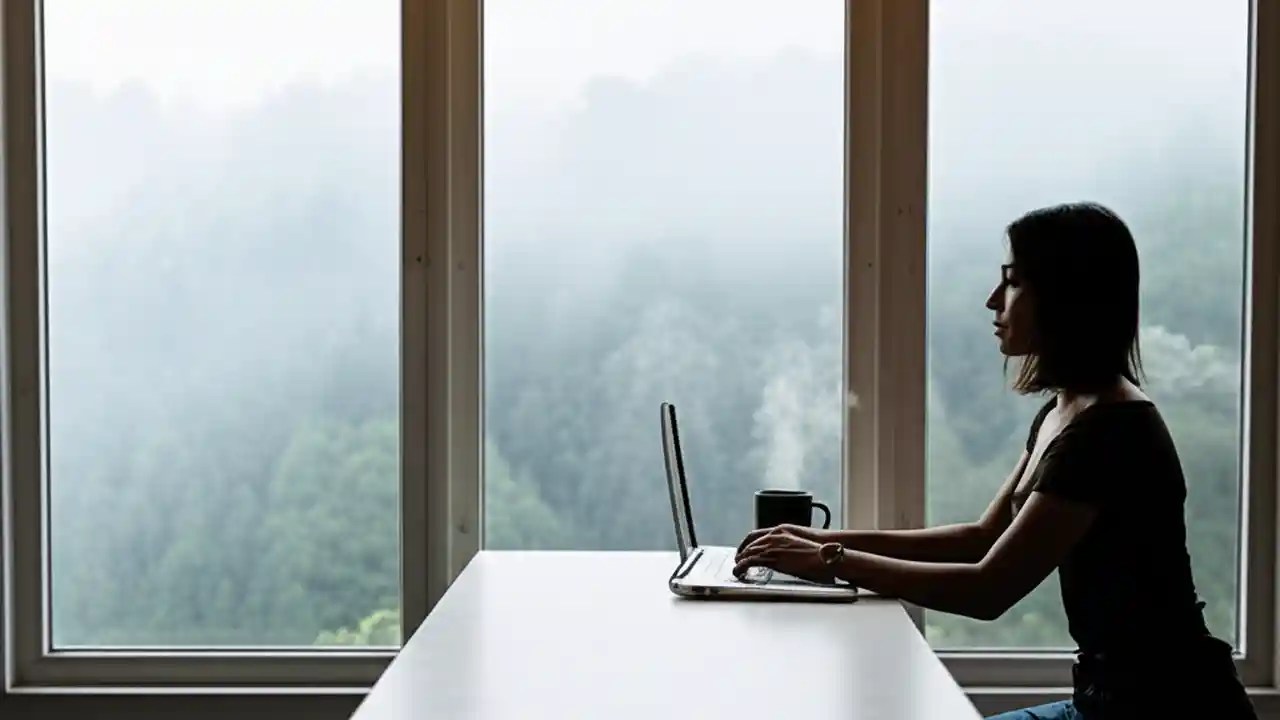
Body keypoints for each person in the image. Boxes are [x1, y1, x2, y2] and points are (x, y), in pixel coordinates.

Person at [733, 202, 1256, 718]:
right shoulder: (1065, 411)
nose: (992, 300)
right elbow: (981, 537)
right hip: (1108, 702)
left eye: (1012, 282)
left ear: (1065, 296)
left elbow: (988, 589)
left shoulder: (1110, 431)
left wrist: (831, 561)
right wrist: (816, 540)